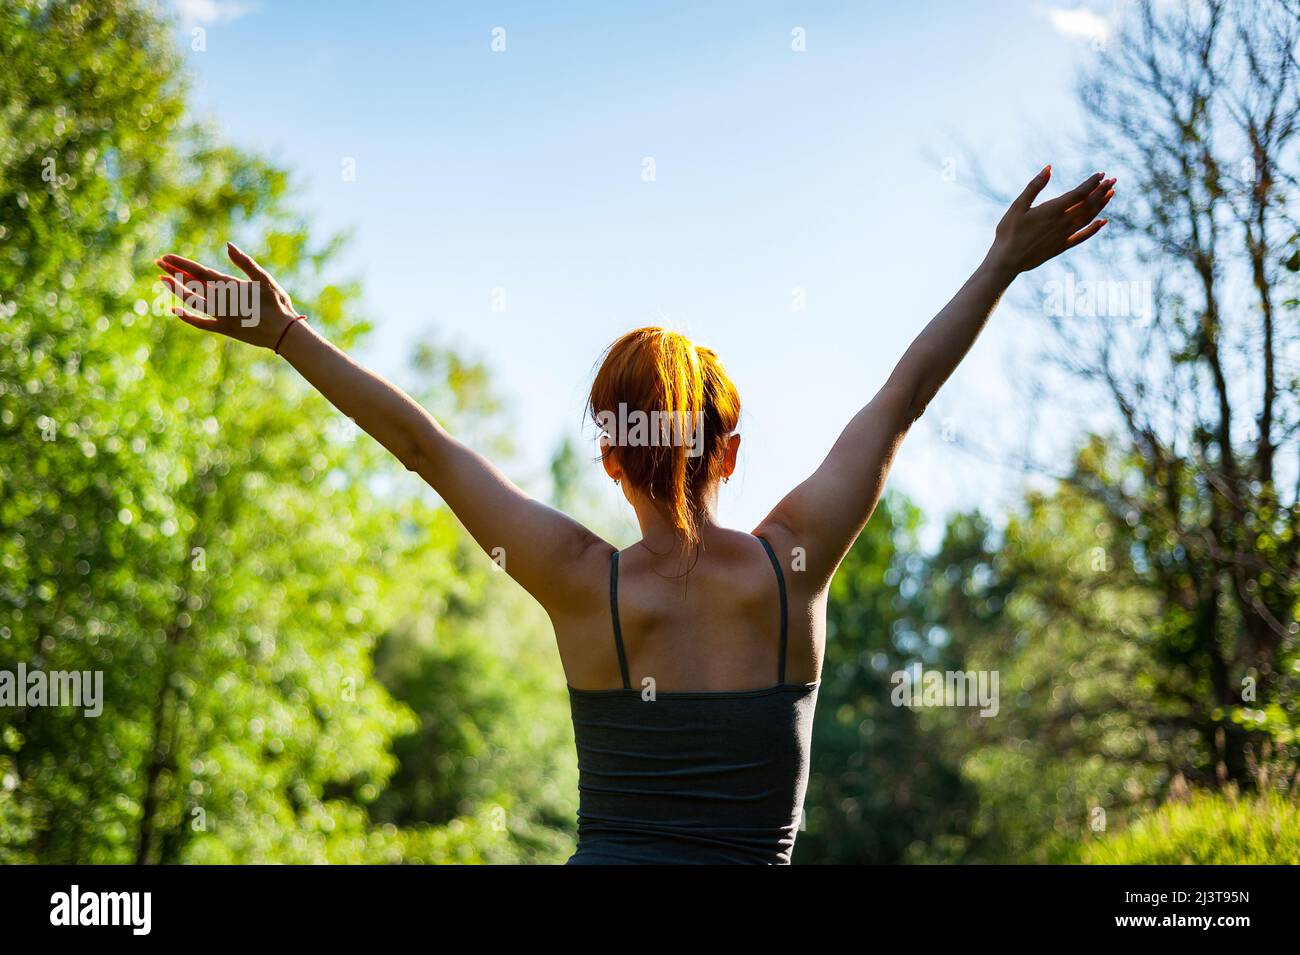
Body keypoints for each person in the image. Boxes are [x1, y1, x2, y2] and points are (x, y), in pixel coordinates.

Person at [157, 166, 1116, 864]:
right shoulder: (793, 568)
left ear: (611, 460)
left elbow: (425, 447)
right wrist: (1000, 265)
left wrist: (285, 332)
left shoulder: (580, 581)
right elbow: (903, 395)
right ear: (729, 452)